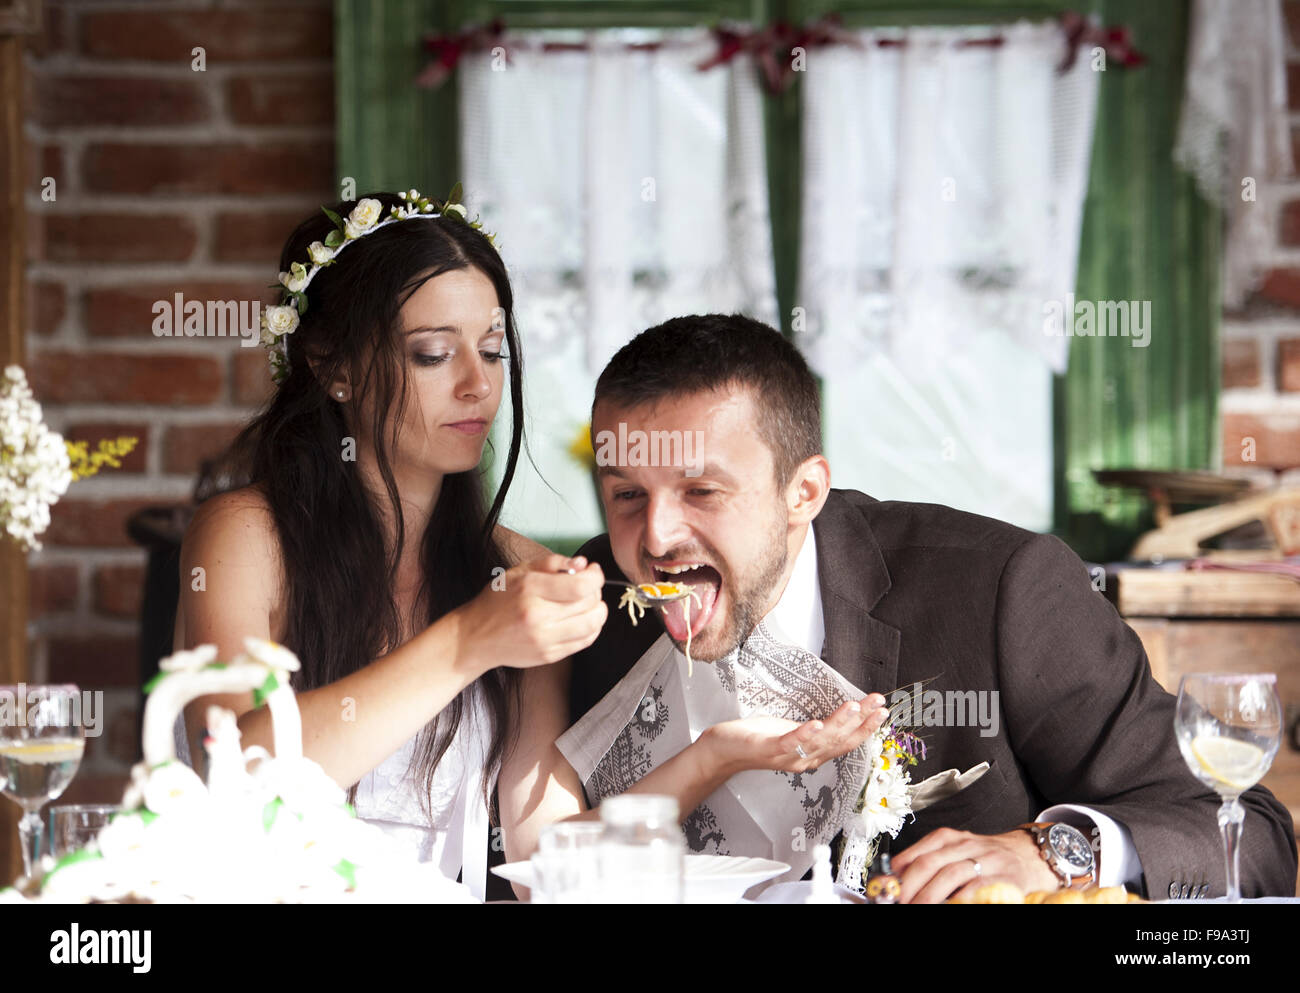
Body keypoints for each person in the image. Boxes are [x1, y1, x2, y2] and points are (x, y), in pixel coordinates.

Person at [556, 312, 1298, 902]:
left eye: (701, 491)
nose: (655, 537)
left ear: (803, 492)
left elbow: (1252, 835)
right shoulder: (584, 613)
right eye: (626, 494)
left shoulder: (1002, 588)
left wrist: (1053, 853)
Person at [171, 189, 615, 899]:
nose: (478, 384)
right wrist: (470, 638)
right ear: (333, 367)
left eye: (492, 350)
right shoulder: (247, 536)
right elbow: (231, 772)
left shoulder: (517, 570)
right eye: (433, 354)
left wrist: (710, 761)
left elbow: (544, 856)